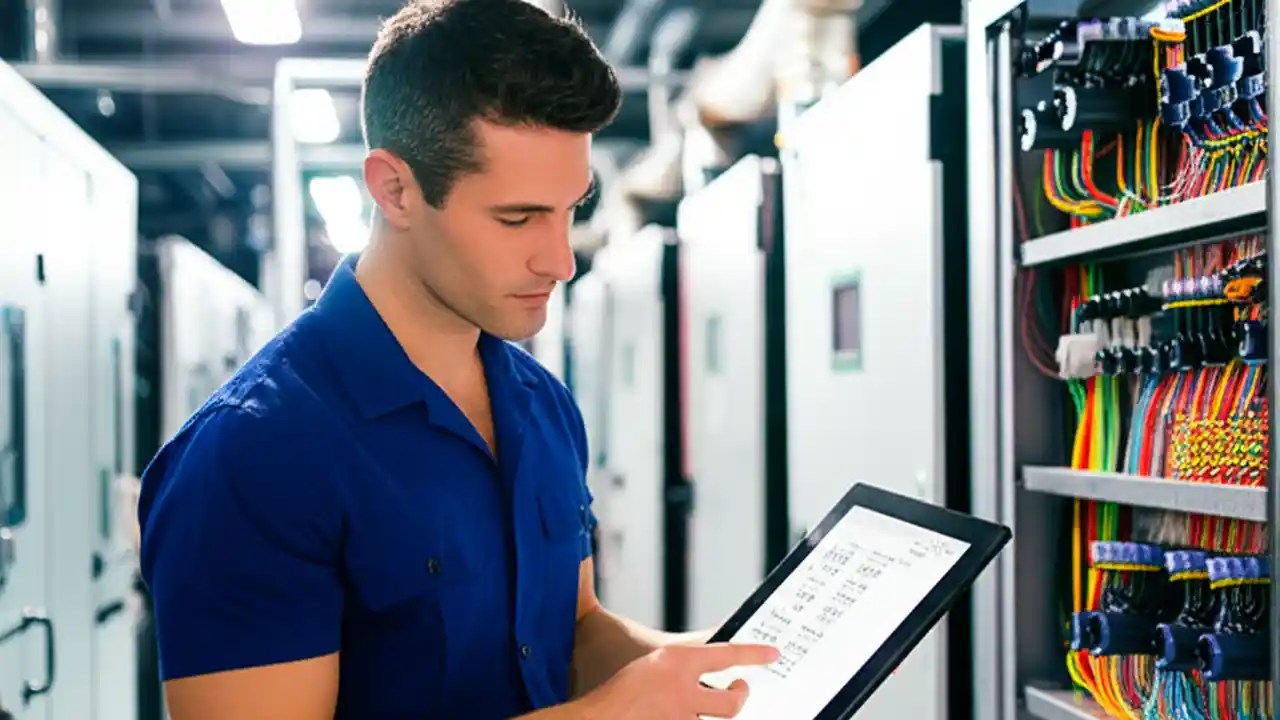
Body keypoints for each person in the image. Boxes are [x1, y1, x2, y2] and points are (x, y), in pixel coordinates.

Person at [136, 0, 778, 718]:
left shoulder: (540, 403)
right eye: (518, 217)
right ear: (396, 189)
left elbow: (572, 629)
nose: (560, 259)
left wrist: (712, 669)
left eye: (569, 209)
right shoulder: (251, 453)